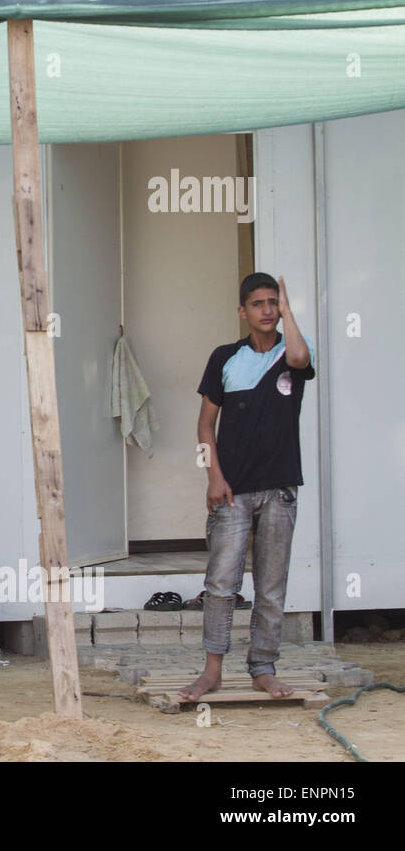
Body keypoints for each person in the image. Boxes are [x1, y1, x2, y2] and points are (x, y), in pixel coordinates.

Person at [180, 273, 314, 702]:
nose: (268, 310)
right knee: (221, 583)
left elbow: (298, 355)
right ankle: (212, 671)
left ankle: (263, 669)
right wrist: (212, 475)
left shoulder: (292, 355)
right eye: (258, 304)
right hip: (232, 490)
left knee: (272, 585)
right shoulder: (225, 358)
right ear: (243, 311)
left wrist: (291, 312)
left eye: (274, 303)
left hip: (280, 489)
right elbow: (204, 424)